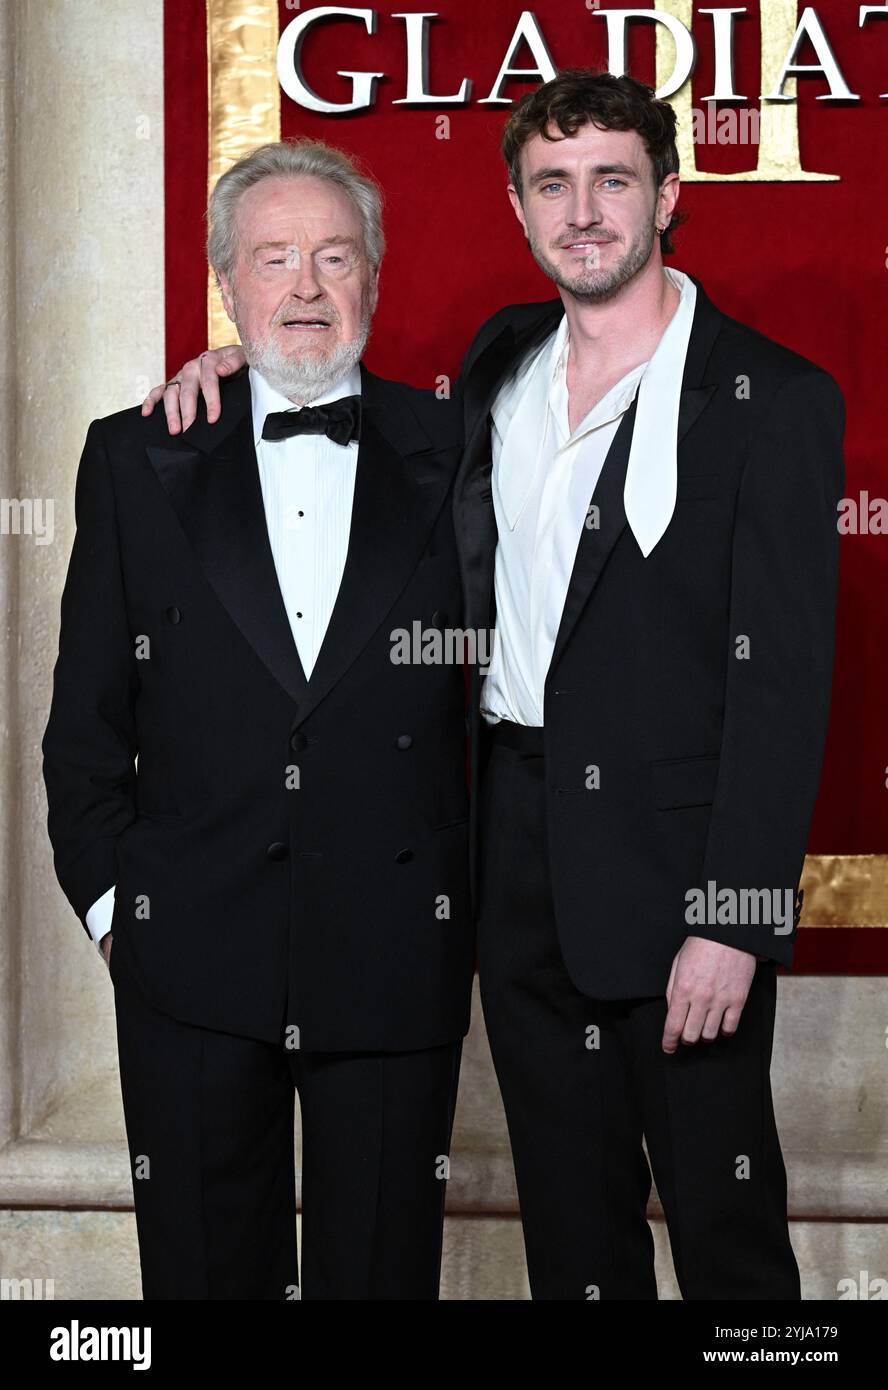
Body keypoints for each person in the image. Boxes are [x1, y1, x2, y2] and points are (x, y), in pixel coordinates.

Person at [153, 70, 844, 1300]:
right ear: (521, 210)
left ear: (669, 196)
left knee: (728, 1239)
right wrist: (236, 369)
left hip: (682, 873)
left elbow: (786, 687)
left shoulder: (775, 399)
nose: (583, 212)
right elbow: (347, 411)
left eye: (613, 182)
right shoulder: (498, 365)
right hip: (514, 856)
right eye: (553, 186)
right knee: (574, 1236)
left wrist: (733, 919)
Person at [42, 139, 474, 1300]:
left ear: (376, 279)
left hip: (394, 952)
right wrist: (114, 910)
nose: (306, 286)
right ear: (225, 286)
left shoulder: (464, 449)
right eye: (273, 259)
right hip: (185, 954)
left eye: (335, 256)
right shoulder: (135, 454)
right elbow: (84, 724)